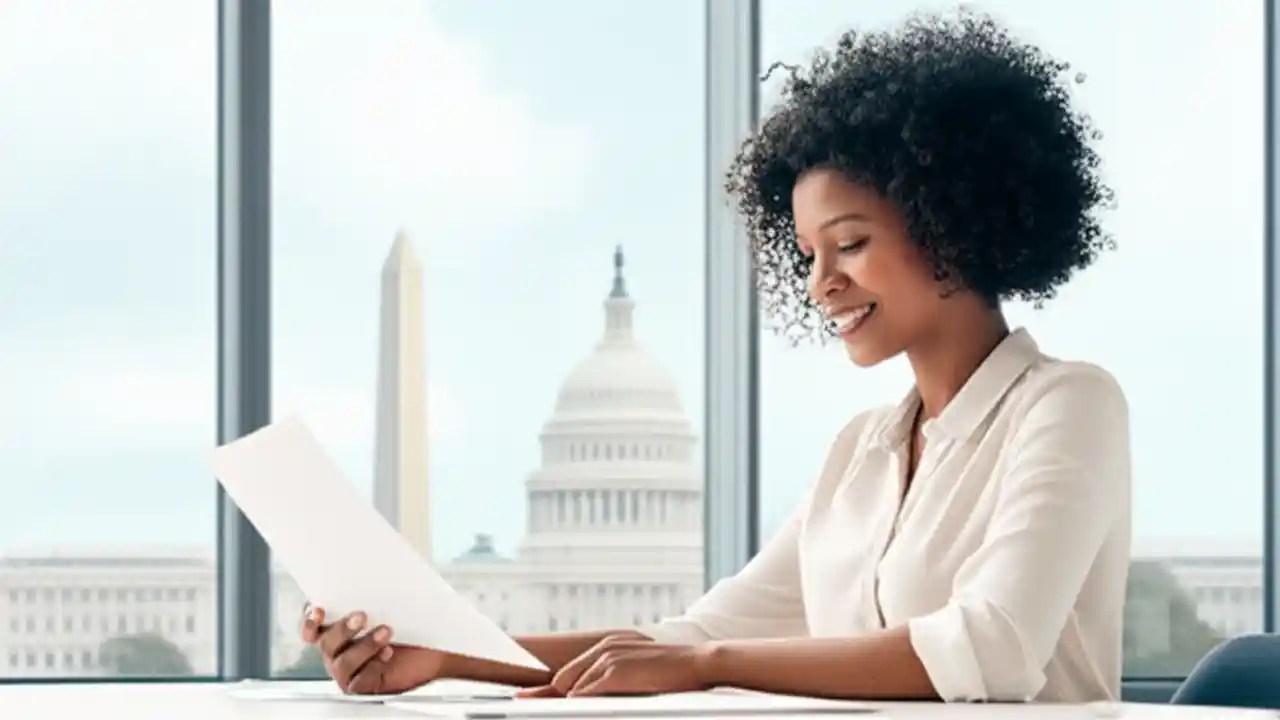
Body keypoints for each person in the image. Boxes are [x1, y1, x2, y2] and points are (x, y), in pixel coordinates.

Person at [300, 9, 1129, 703]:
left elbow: (990, 650)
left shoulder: (1068, 406)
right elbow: (691, 635)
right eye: (806, 254)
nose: (820, 285)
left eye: (849, 244)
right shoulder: (860, 454)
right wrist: (446, 655)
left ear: (952, 224)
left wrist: (703, 668)